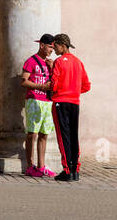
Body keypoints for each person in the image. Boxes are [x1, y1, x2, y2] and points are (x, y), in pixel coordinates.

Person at [50, 32, 91, 181]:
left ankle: (67, 170)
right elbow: (86, 86)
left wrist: (57, 91)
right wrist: (73, 90)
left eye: (55, 46)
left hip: (60, 102)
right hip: (74, 102)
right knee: (73, 135)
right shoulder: (78, 62)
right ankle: (75, 170)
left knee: (63, 136)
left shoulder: (59, 62)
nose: (54, 50)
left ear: (62, 46)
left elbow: (54, 84)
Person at [20, 34, 56, 177]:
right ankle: (30, 167)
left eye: (53, 48)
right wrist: (41, 86)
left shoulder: (50, 63)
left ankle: (41, 167)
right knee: (32, 134)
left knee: (44, 134)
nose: (52, 50)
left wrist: (52, 68)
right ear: (42, 45)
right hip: (34, 100)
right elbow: (24, 82)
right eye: (50, 47)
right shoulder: (31, 61)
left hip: (47, 102)